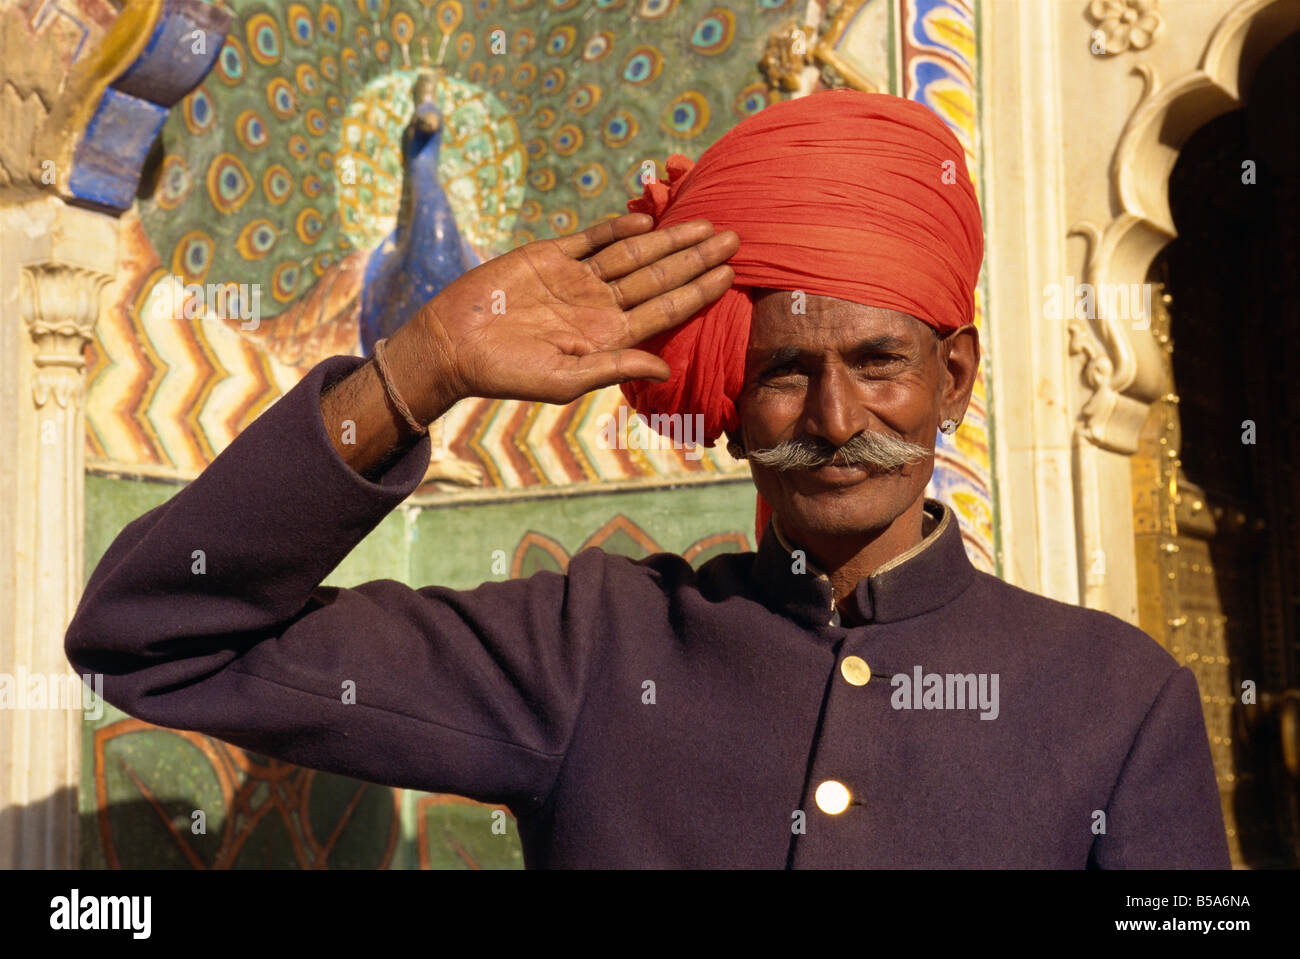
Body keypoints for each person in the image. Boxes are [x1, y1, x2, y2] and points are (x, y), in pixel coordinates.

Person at [65, 90, 1230, 868]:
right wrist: (416, 369)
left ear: (955, 375)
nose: (833, 420)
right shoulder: (589, 649)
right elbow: (155, 640)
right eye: (781, 374)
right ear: (725, 394)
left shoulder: (1116, 701)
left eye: (878, 362)